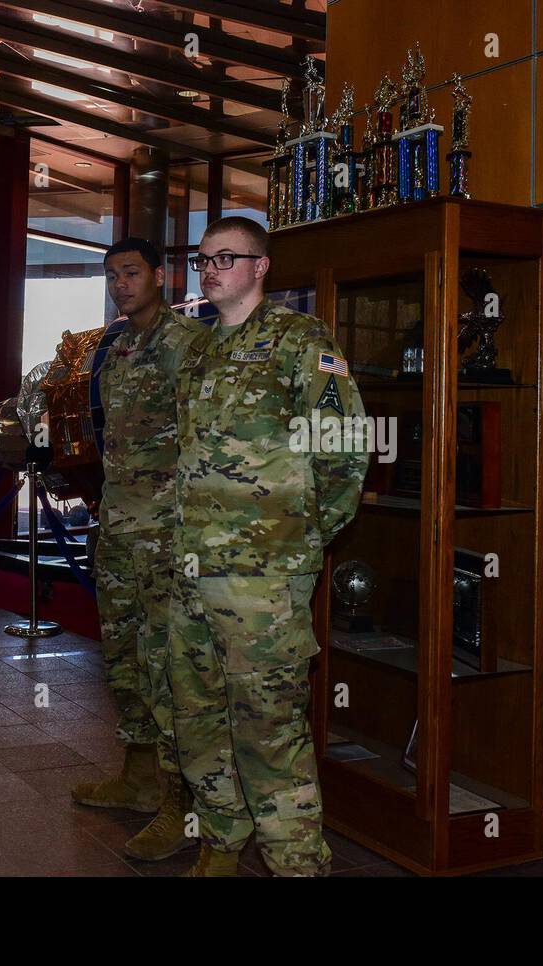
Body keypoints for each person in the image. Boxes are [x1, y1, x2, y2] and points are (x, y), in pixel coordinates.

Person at [169, 215, 368, 876]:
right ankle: (221, 844)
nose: (211, 270)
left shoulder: (300, 342)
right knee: (196, 716)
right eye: (203, 261)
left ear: (261, 267)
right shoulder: (197, 349)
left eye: (227, 258)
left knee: (269, 731)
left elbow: (343, 454)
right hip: (191, 572)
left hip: (263, 583)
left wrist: (299, 544)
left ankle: (296, 864)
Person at [71, 237, 208, 864]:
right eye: (111, 276)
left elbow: (206, 439)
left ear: (160, 274)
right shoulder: (117, 346)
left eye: (130, 273)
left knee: (166, 665)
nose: (119, 284)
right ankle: (135, 776)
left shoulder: (187, 345)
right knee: (123, 655)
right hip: (120, 526)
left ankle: (180, 807)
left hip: (167, 535)